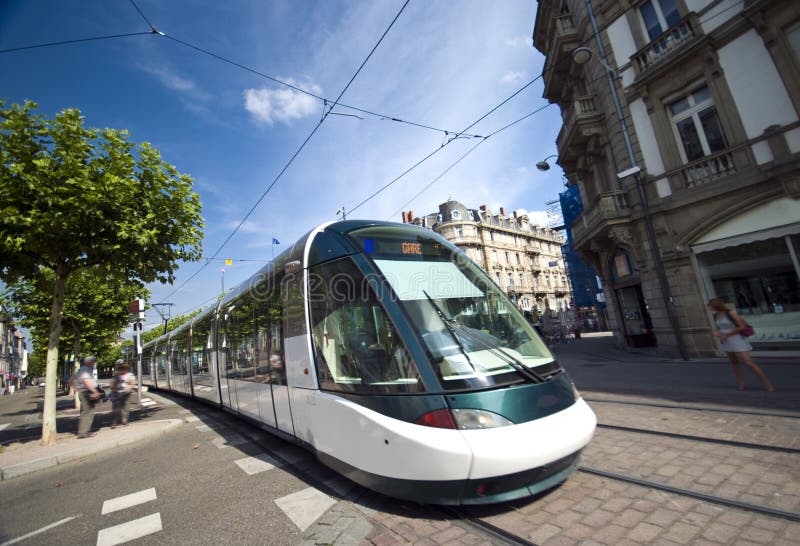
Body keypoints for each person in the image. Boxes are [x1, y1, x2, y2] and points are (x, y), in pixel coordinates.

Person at [707, 298, 774, 392]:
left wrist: (727, 334)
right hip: (726, 342)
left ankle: (767, 384)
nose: (709, 308)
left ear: (715, 305)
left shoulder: (731, 313)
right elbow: (719, 328)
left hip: (736, 340)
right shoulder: (715, 315)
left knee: (749, 363)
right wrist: (718, 333)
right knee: (734, 363)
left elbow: (742, 327)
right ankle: (742, 383)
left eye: (710, 305)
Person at [74, 355, 103, 438]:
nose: (94, 364)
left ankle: (83, 431)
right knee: (88, 413)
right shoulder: (85, 370)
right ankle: (84, 432)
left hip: (83, 392)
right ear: (88, 362)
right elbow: (86, 382)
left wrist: (76, 386)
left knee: (85, 412)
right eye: (93, 362)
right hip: (86, 393)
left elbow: (73, 379)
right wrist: (95, 392)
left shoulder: (82, 369)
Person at [110, 360, 136, 427]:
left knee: (126, 408)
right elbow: (112, 383)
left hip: (126, 393)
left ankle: (124, 420)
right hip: (117, 393)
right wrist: (114, 389)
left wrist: (129, 388)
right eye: (121, 368)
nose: (122, 369)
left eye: (124, 368)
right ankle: (114, 422)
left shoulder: (130, 375)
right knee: (116, 409)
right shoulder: (116, 375)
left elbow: (133, 383)